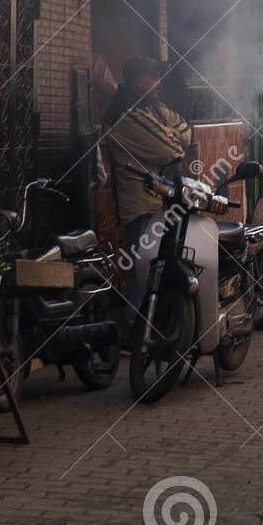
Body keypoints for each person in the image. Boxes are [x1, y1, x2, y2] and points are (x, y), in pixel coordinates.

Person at [102, 56, 191, 346]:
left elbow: (186, 131)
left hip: (159, 202)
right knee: (144, 274)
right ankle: (130, 331)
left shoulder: (149, 106)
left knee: (157, 270)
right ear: (138, 80)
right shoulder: (125, 111)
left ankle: (148, 329)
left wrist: (170, 131)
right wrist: (170, 133)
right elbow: (172, 148)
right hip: (141, 204)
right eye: (152, 77)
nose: (157, 82)